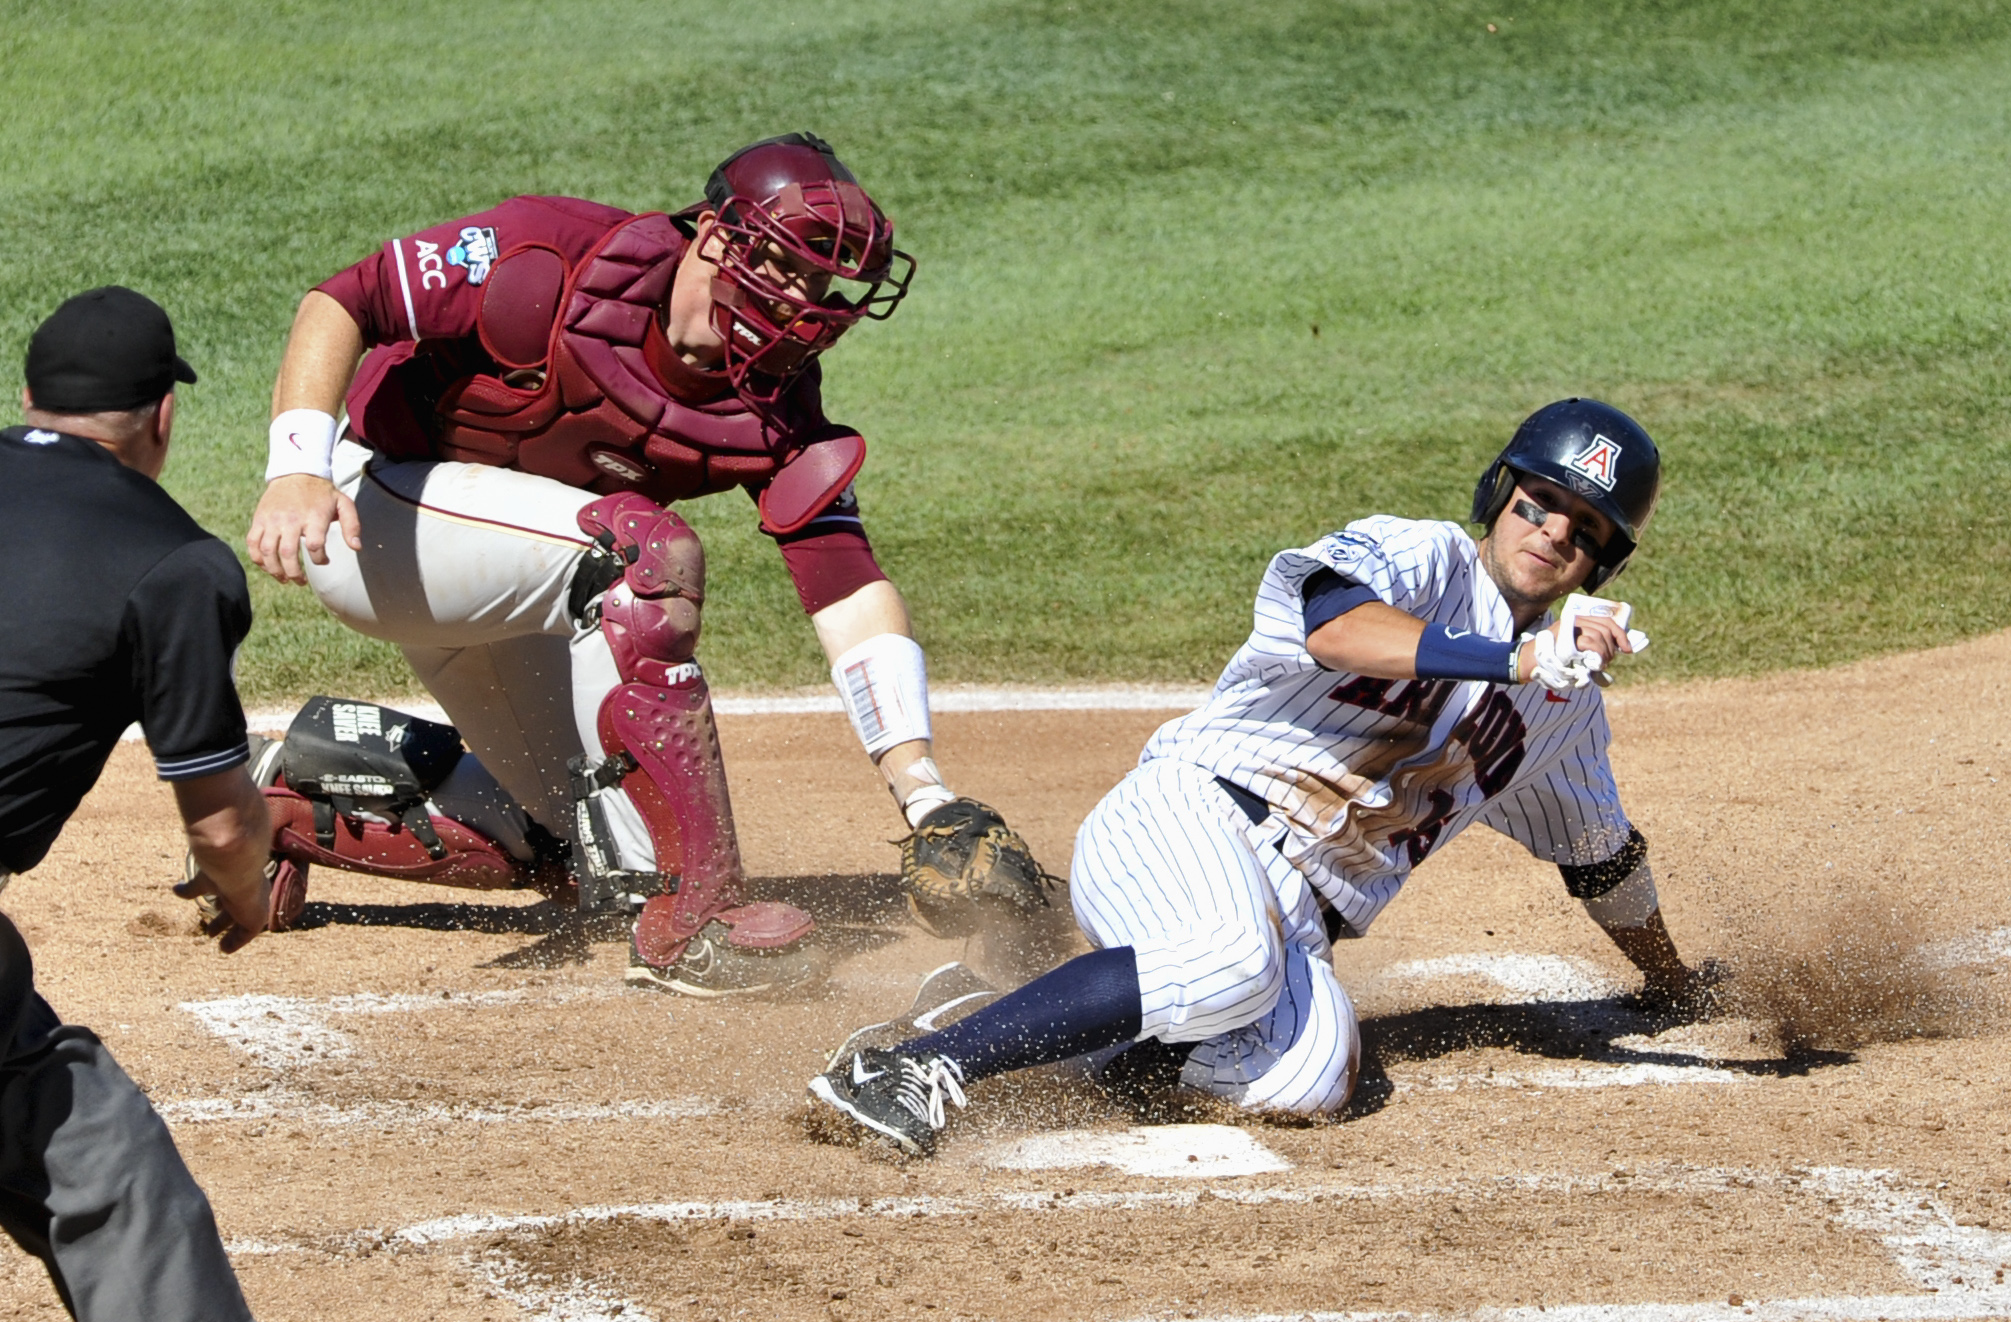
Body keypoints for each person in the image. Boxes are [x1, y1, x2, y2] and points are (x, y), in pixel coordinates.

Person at [238, 133, 1046, 998]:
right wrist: (297, 468)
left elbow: (846, 589)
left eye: (820, 284)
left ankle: (282, 796)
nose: (803, 304)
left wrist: (923, 791)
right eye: (784, 268)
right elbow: (345, 296)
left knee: (583, 848)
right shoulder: (547, 261)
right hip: (379, 524)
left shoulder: (773, 406)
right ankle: (695, 924)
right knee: (643, 551)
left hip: (523, 587)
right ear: (714, 236)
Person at [808, 398, 1716, 1155]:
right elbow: (1332, 628)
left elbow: (1598, 857)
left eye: (1583, 530)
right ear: (1500, 495)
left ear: (1602, 562)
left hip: (1299, 921)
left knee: (1311, 1077)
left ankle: (999, 1013)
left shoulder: (1564, 711)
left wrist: (1673, 985)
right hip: (1189, 818)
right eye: (1539, 504)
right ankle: (911, 1067)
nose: (1551, 533)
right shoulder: (1419, 555)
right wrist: (1514, 659)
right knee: (1228, 962)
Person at [1, 287, 271, 1318]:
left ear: (26, 396)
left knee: (78, 1133)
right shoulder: (176, 565)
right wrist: (242, 891)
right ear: (165, 417)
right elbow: (219, 820)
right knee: (113, 1172)